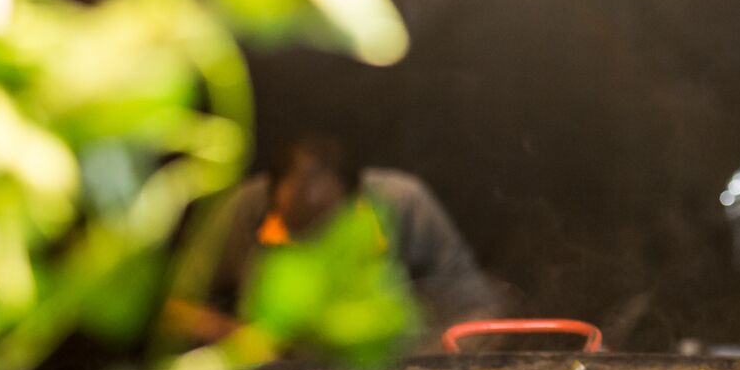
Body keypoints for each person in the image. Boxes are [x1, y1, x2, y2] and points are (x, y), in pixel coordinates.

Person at [166, 134, 501, 345]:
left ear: (358, 201)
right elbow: (171, 309)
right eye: (298, 231)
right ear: (271, 202)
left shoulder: (402, 202)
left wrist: (426, 363)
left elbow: (476, 306)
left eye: (328, 230)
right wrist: (243, 340)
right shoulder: (242, 209)